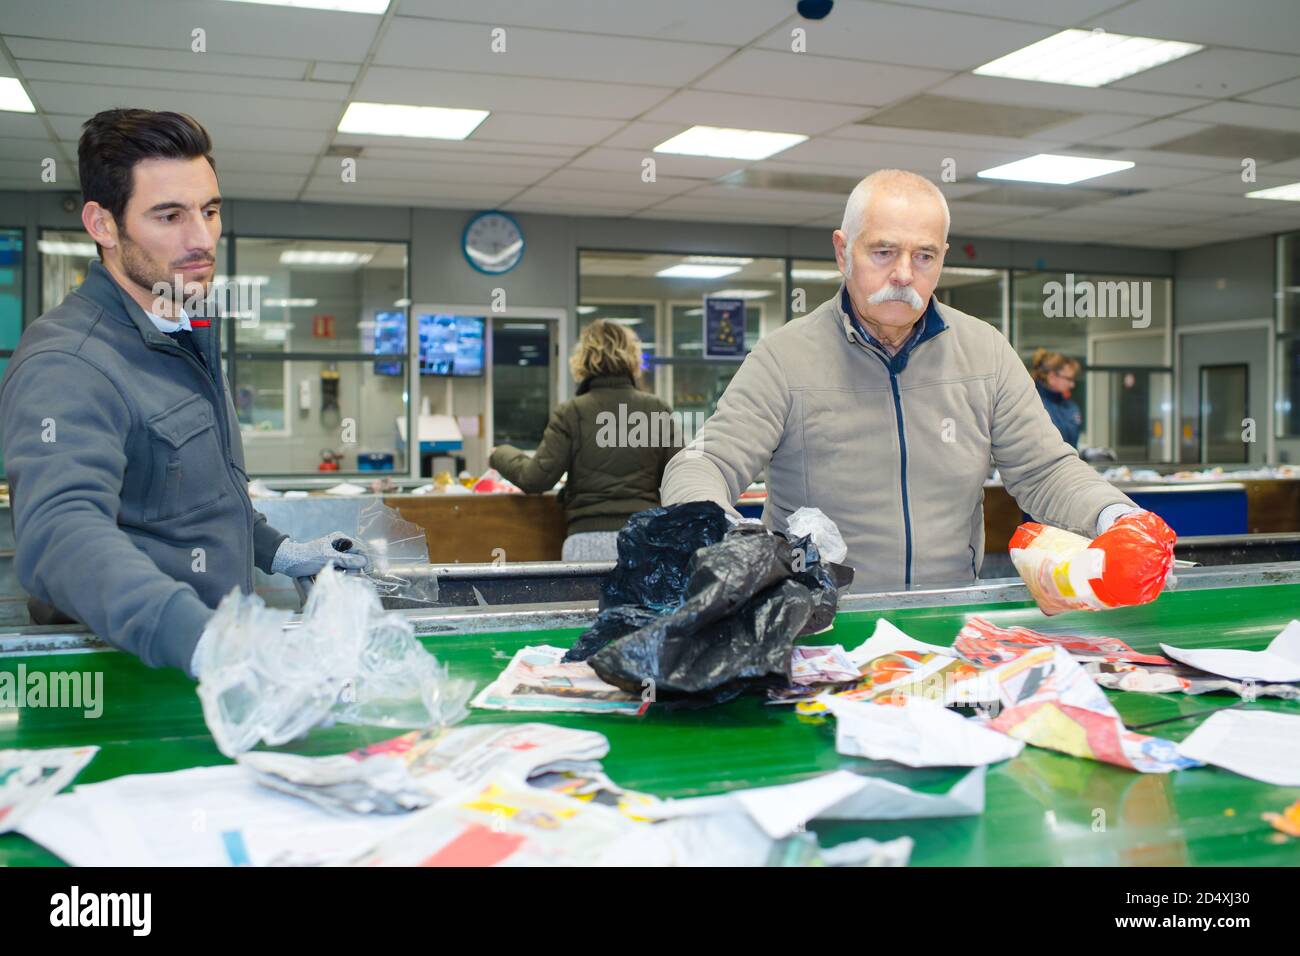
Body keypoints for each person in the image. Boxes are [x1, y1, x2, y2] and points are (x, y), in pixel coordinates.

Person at [661, 168, 1166, 588]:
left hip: (948, 622)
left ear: (942, 257)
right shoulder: (784, 358)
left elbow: (1044, 470)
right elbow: (705, 463)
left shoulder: (984, 351)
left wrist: (1116, 518)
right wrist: (716, 526)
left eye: (924, 256)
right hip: (820, 626)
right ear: (843, 252)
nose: (904, 273)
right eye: (883, 252)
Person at [0, 108, 367, 676]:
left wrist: (277, 549)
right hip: (129, 679)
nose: (201, 239)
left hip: (216, 673)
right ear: (102, 225)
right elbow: (59, 538)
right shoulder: (69, 360)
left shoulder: (184, 331)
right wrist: (208, 644)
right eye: (169, 215)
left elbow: (191, 498)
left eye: (210, 211)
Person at [490, 320, 682, 561]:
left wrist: (499, 453)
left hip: (586, 541)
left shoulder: (571, 412)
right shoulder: (656, 409)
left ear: (582, 358)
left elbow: (535, 478)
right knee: (643, 601)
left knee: (583, 602)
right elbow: (681, 474)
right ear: (633, 358)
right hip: (645, 538)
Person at [1030, 348, 1083, 448]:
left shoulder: (1070, 406)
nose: (1072, 385)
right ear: (1052, 377)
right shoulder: (1034, 405)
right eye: (1069, 379)